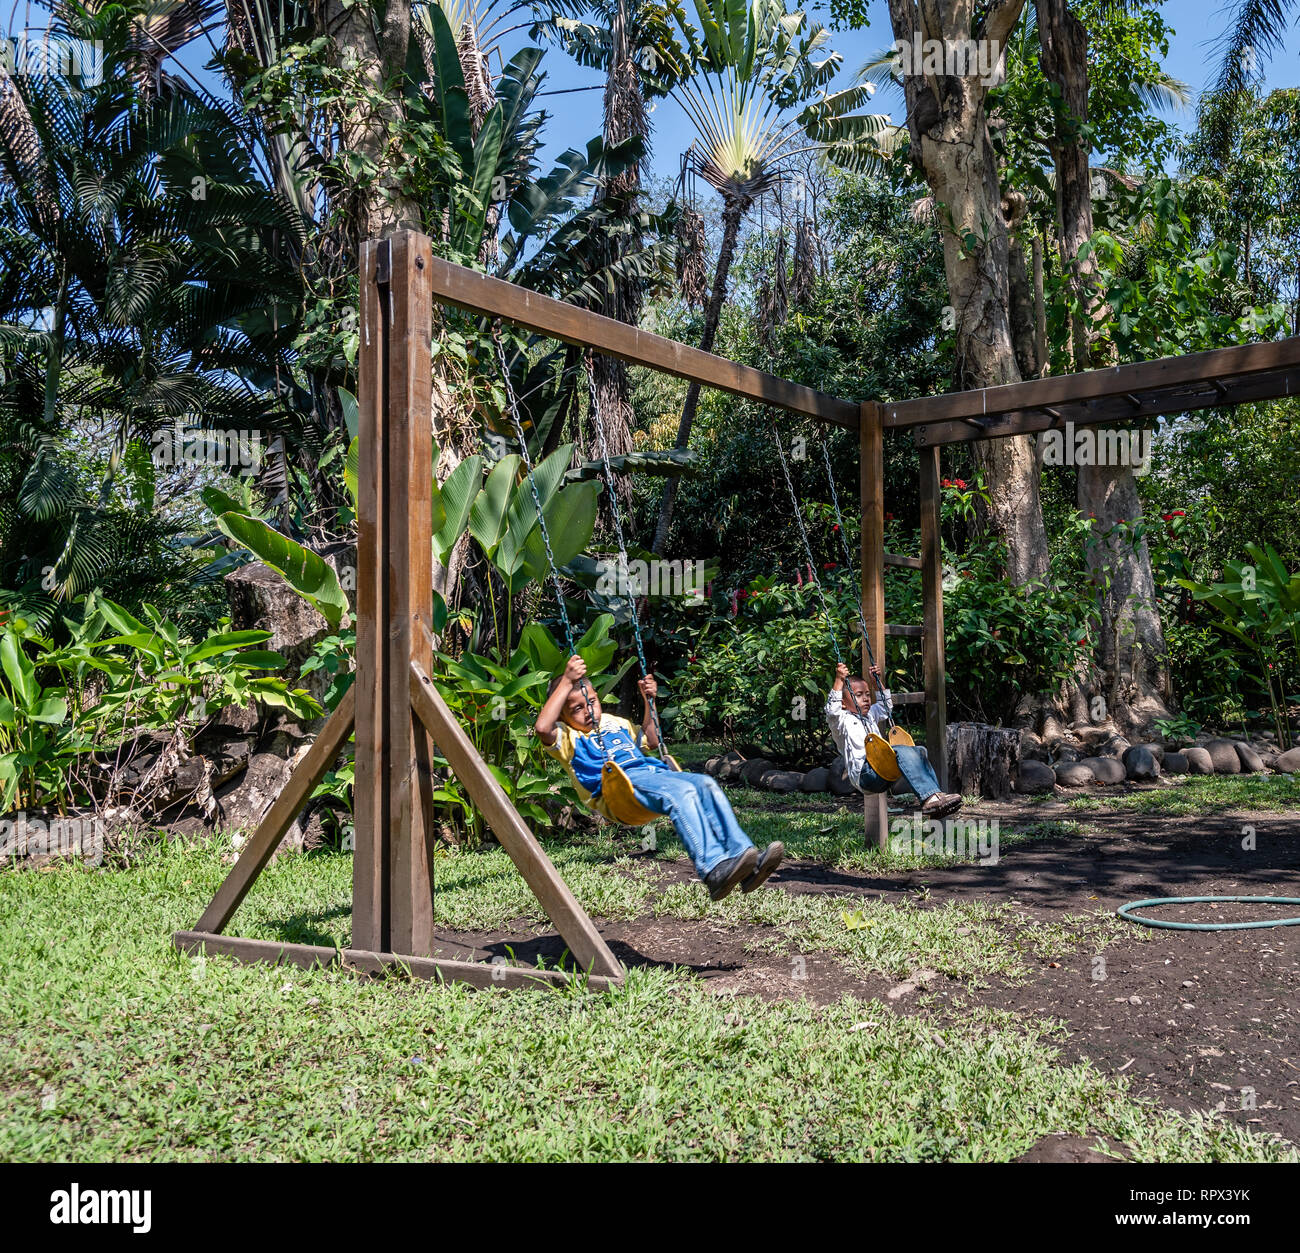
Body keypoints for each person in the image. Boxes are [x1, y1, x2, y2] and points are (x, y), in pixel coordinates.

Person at [535, 654, 783, 902]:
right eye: (577, 708)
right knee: (681, 794)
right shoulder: (567, 737)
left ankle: (747, 860)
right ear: (562, 716)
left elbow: (651, 741)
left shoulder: (614, 722)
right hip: (619, 790)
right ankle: (714, 870)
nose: (589, 710)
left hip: (652, 774)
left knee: (706, 784)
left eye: (592, 701)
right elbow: (542, 728)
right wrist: (567, 680)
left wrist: (648, 701)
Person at [826, 661, 962, 817]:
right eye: (858, 695)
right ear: (843, 703)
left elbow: (886, 706)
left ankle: (935, 800)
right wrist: (839, 679)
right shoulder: (842, 721)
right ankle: (930, 798)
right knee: (898, 751)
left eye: (867, 694)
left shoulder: (870, 715)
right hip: (865, 775)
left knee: (919, 751)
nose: (865, 699)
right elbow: (831, 712)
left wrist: (877, 683)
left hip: (883, 773)